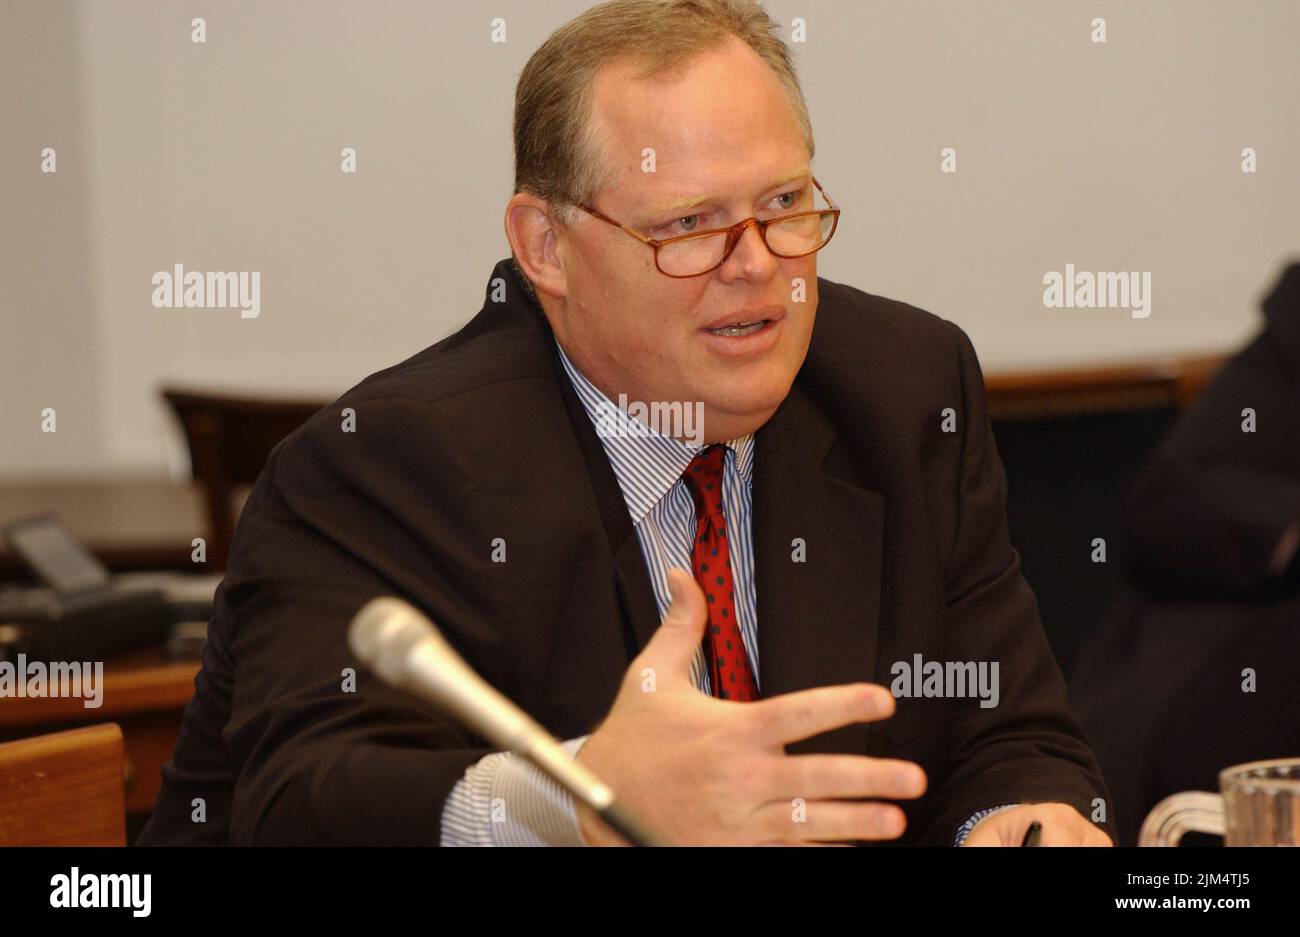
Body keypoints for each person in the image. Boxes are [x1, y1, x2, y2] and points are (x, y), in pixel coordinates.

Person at [140, 0, 1112, 847]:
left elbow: (1007, 731)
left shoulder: (901, 391)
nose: (759, 265)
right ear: (546, 247)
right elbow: (303, 807)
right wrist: (573, 803)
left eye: (782, 203)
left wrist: (1016, 824)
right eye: (687, 224)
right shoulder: (389, 464)